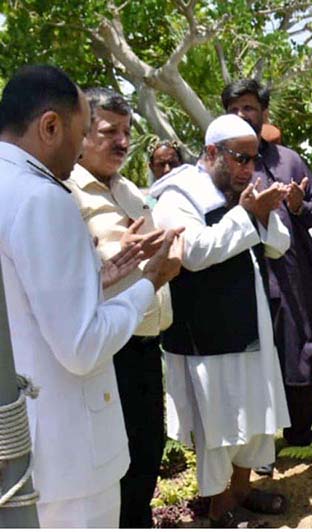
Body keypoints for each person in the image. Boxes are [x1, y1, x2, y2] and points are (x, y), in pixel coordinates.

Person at [0, 65, 182, 528]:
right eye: (82, 133)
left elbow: (22, 300)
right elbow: (81, 347)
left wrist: (94, 280)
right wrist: (149, 282)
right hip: (70, 453)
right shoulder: (44, 197)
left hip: (30, 440)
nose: (81, 149)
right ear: (50, 126)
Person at [151, 114, 292, 527]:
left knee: (256, 414)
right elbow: (194, 253)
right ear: (212, 152)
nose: (249, 168)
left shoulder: (241, 190)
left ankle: (243, 489)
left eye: (254, 159)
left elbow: (279, 246)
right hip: (206, 332)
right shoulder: (178, 194)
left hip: (251, 323)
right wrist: (247, 215)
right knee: (218, 423)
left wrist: (263, 213)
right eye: (240, 158)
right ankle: (218, 504)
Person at [64, 87, 174, 528]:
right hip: (107, 352)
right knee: (116, 466)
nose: (122, 142)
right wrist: (108, 261)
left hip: (146, 344)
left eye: (127, 132)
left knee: (147, 453)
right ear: (81, 133)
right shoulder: (65, 190)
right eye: (109, 131)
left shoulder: (129, 190)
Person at [222, 80, 312, 453]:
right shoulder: (220, 165)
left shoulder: (289, 160)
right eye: (234, 109)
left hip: (295, 276)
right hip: (245, 276)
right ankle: (259, 449)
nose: (242, 115)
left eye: (249, 108)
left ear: (263, 112)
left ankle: (300, 434)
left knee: (302, 351)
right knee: (257, 361)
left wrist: (298, 204)